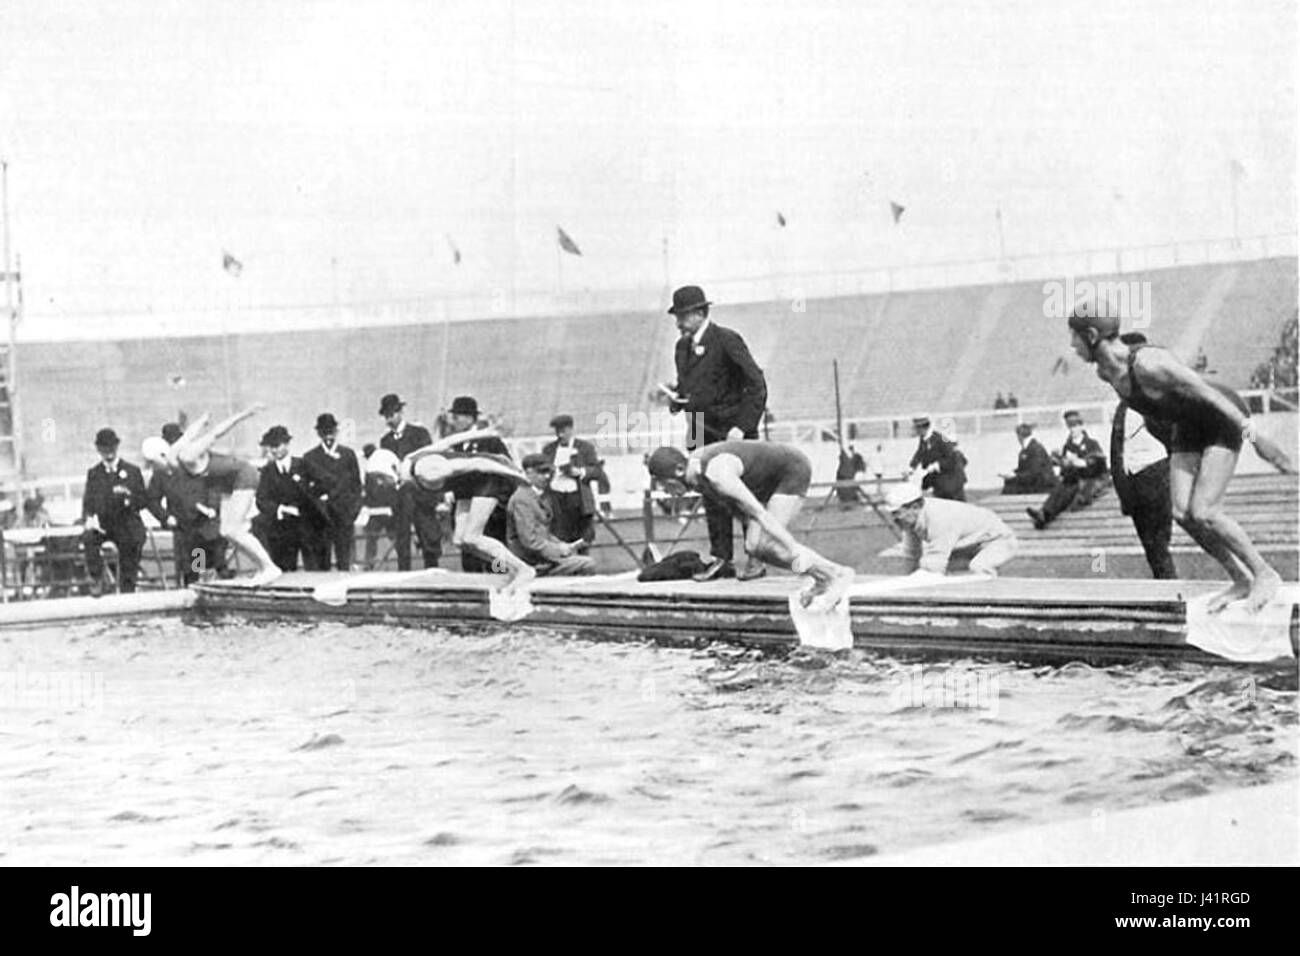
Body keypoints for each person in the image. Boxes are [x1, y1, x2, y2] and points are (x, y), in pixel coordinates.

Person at [1067, 304, 1294, 612]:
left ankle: (1264, 573)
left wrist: (1257, 440)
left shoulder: (1150, 363)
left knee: (1204, 512)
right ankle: (1239, 579)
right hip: (1187, 426)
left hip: (1222, 417)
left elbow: (1210, 395)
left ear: (1091, 335)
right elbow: (1155, 410)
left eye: (1074, 338)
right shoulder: (1105, 372)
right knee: (1180, 512)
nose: (1072, 345)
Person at [646, 442, 853, 605]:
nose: (665, 490)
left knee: (769, 544)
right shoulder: (696, 474)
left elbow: (761, 515)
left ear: (679, 470)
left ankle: (835, 574)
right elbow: (740, 510)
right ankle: (823, 576)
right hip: (765, 480)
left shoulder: (717, 474)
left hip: (791, 470)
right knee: (754, 546)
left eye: (664, 483)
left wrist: (791, 547)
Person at [660, 284, 768, 580]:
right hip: (698, 431)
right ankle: (722, 558)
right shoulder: (681, 348)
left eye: (682, 316)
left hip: (732, 435)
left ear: (699, 313)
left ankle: (756, 556)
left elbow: (756, 386)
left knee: (743, 494)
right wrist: (675, 401)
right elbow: (688, 392)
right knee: (711, 494)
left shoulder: (726, 340)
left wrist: (742, 428)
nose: (678, 323)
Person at [141, 403, 281, 585]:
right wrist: (202, 420)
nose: (153, 469)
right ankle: (262, 568)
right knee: (221, 538)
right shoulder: (174, 456)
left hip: (242, 477)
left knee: (229, 532)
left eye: (153, 464)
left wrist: (243, 414)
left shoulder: (187, 456)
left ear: (162, 455)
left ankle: (269, 567)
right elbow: (191, 432)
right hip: (197, 522)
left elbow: (216, 434)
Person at [399, 444, 535, 592]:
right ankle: (508, 567)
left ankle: (524, 569)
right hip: (466, 485)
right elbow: (449, 441)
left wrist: (515, 475)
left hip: (487, 480)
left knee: (472, 537)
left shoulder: (431, 471)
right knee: (460, 540)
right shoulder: (413, 457)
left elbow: (479, 463)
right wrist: (476, 433)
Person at [145, 422, 229, 585]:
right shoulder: (162, 472)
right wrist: (166, 517)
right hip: (184, 528)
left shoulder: (197, 459)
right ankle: (197, 590)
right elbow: (151, 500)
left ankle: (216, 583)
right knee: (194, 570)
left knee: (215, 564)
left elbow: (213, 486)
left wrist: (211, 508)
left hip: (205, 523)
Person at [440, 395, 513, 573]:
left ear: (469, 418)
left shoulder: (489, 440)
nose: (453, 421)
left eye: (457, 417)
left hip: (489, 506)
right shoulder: (455, 443)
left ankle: (504, 579)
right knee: (467, 547)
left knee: (494, 551)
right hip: (465, 501)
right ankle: (475, 584)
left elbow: (505, 466)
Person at [885, 483, 1017, 577]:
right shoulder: (911, 520)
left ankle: (990, 609)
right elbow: (912, 555)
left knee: (979, 568)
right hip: (971, 544)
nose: (894, 519)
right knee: (951, 574)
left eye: (897, 513)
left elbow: (934, 565)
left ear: (914, 507)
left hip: (998, 540)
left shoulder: (939, 517)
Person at [1111, 398, 1177, 579]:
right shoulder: (1122, 408)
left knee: (1159, 542)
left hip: (1156, 472)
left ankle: (1170, 587)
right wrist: (1123, 492)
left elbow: (1174, 438)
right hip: (1133, 479)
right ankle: (1166, 584)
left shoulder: (1156, 403)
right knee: (1149, 544)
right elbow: (1116, 450)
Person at [377, 393, 442, 570]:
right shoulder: (386, 441)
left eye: (392, 414)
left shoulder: (419, 434)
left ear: (400, 412)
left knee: (428, 537)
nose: (390, 419)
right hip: (399, 497)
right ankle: (403, 576)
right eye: (386, 416)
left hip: (421, 494)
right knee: (402, 540)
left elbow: (428, 460)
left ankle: (433, 574)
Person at [81, 427, 148, 595]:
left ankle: (127, 587)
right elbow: (88, 503)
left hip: (127, 524)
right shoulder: (94, 474)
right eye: (104, 449)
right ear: (98, 450)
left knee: (130, 541)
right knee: (89, 538)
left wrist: (128, 497)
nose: (108, 453)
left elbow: (142, 501)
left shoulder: (132, 471)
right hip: (105, 526)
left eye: (111, 448)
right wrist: (89, 519)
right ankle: (97, 578)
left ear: (117, 447)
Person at [507, 453, 596, 576]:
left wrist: (562, 545)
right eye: (541, 472)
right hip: (530, 562)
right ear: (528, 473)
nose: (547, 476)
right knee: (587, 563)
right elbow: (530, 541)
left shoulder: (537, 496)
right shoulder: (522, 499)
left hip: (540, 557)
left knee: (578, 558)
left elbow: (544, 533)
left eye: (549, 472)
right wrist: (558, 550)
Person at [254, 425, 321, 572]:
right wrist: (280, 509)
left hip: (306, 525)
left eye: (277, 445)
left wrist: (310, 506)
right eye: (271, 447)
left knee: (313, 567)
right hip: (281, 529)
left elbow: (321, 486)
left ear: (286, 444)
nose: (274, 450)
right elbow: (261, 499)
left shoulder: (303, 465)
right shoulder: (268, 471)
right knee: (284, 569)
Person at [302, 413, 364, 571]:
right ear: (318, 433)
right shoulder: (310, 457)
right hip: (322, 518)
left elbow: (357, 486)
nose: (328, 435)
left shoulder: (348, 455)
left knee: (344, 560)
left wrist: (352, 512)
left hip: (344, 515)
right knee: (323, 562)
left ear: (336, 431)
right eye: (324, 431)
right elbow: (307, 490)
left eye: (331, 430)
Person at [1026, 410, 1108, 529]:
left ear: (1081, 426)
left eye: (1075, 426)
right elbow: (1065, 468)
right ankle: (1043, 512)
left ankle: (1045, 515)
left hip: (1088, 479)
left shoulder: (1091, 443)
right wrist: (1061, 462)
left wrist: (1081, 462)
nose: (1072, 430)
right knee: (1061, 486)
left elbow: (1098, 463)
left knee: (1070, 489)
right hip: (1072, 477)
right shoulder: (1068, 446)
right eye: (1070, 427)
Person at [541, 414, 606, 544]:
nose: (560, 435)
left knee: (581, 539)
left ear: (571, 429)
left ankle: (583, 562)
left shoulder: (585, 448)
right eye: (557, 432)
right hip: (556, 499)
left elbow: (597, 471)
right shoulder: (549, 449)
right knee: (558, 537)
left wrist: (580, 471)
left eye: (563, 432)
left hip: (577, 499)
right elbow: (542, 471)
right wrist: (550, 471)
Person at [908, 416, 967, 500]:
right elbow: (920, 452)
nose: (914, 431)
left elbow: (952, 458)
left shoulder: (940, 439)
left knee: (957, 506)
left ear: (922, 428)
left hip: (952, 479)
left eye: (916, 428)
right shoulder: (924, 438)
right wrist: (912, 467)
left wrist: (936, 466)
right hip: (939, 480)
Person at [361, 445, 400, 569]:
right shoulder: (388, 454)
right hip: (391, 502)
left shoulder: (371, 465)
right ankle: (403, 560)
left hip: (377, 507)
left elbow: (368, 488)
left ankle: (369, 563)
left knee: (372, 537)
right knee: (394, 534)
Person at [1000, 423, 1058, 494]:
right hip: (1034, 480)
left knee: (1010, 488)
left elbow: (1035, 472)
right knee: (1009, 482)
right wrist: (1012, 474)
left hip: (1042, 484)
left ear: (1019, 437)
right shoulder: (1027, 449)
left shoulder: (1036, 448)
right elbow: (1024, 469)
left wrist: (1016, 476)